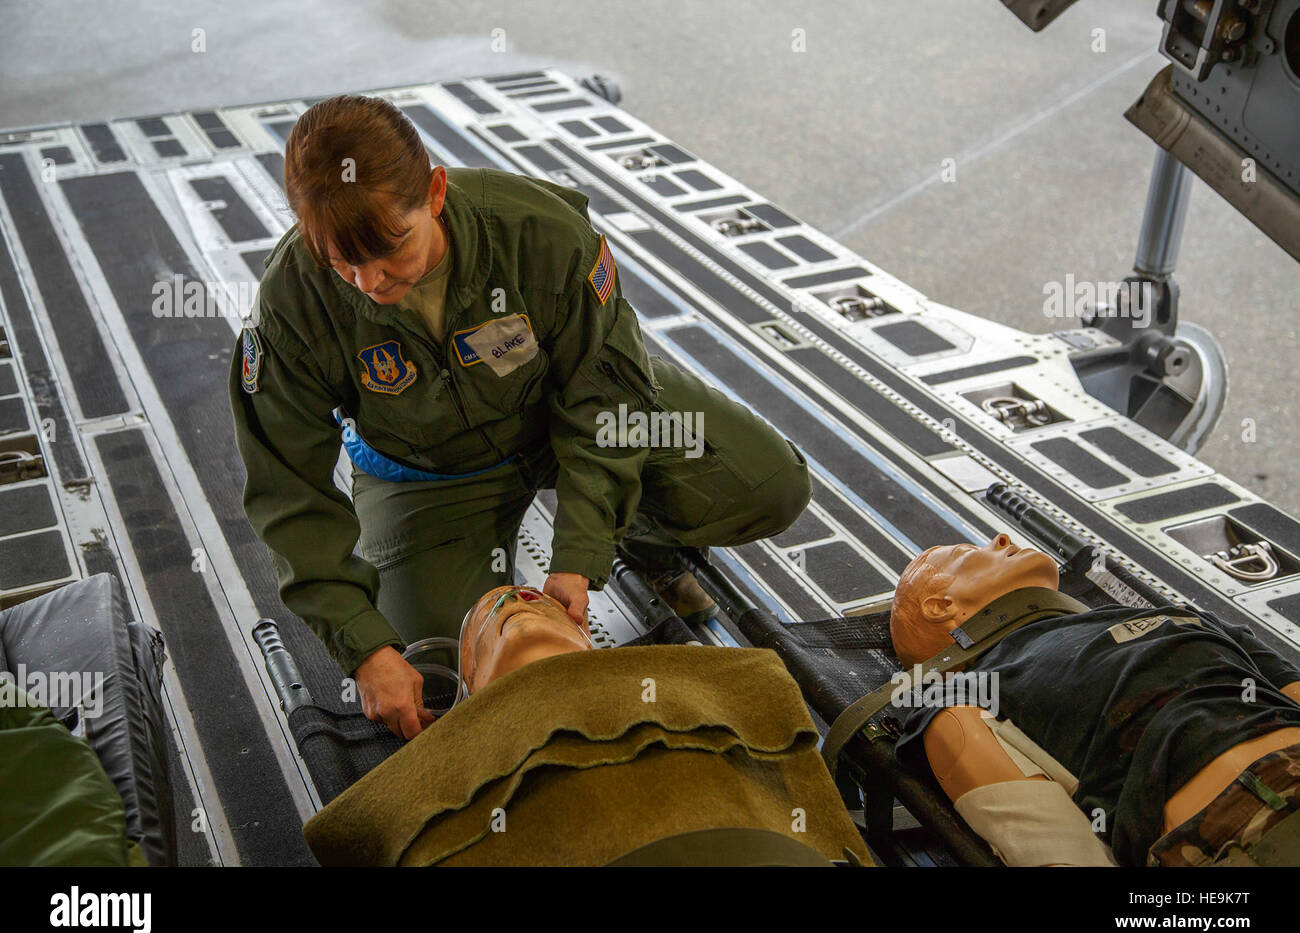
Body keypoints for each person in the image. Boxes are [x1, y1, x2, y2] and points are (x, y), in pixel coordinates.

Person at [228, 95, 811, 741]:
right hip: (432, 472)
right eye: (342, 262)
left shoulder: (537, 231)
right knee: (444, 671)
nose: (370, 281)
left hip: (568, 414)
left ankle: (640, 531)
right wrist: (363, 647)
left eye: (392, 248)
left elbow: (606, 394)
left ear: (436, 193)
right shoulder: (291, 299)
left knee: (766, 487)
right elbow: (287, 488)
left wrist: (580, 555)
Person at [302, 582, 870, 867]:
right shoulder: (439, 757)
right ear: (469, 691)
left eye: (534, 600)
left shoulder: (722, 679)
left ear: (593, 643)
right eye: (492, 614)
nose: (522, 594)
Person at [889, 534, 1300, 867]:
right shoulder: (965, 696)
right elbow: (1058, 851)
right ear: (942, 606)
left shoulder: (1186, 616)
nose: (1000, 538)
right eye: (966, 553)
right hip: (1251, 824)